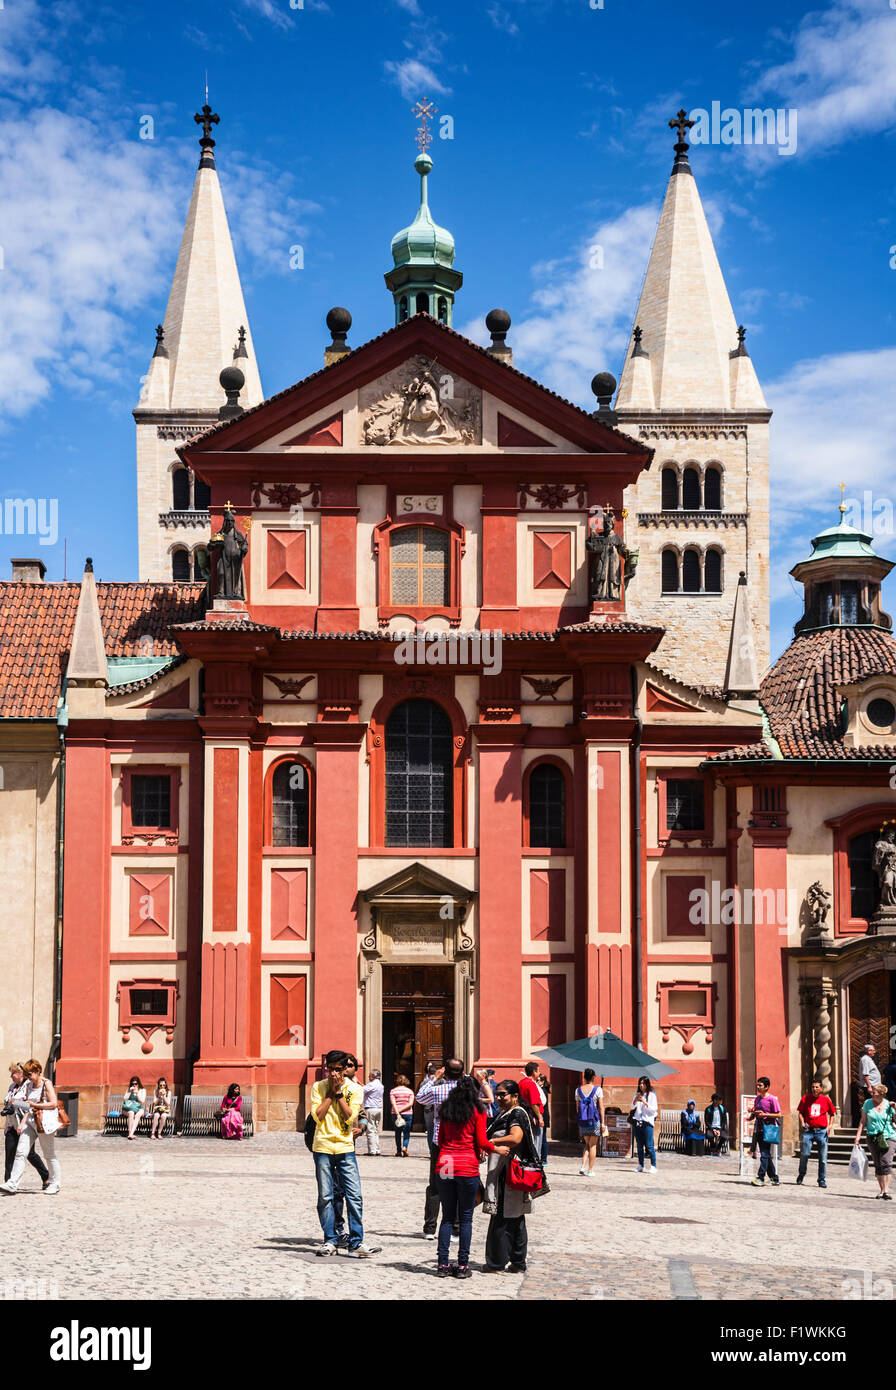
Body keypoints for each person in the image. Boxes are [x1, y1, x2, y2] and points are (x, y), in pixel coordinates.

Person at [308, 1050, 378, 1257]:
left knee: (354, 1195)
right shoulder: (318, 1087)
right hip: (322, 1147)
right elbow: (318, 1116)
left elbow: (350, 1117)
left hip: (346, 1148)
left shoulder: (355, 1089)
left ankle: (356, 1241)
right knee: (326, 1196)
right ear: (326, 1068)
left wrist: (339, 1094)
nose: (334, 1074)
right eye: (331, 1069)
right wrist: (330, 1093)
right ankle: (330, 1239)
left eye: (338, 1070)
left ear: (345, 1068)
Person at [434, 1074, 496, 1278]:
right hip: (466, 1164)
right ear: (476, 1091)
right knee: (466, 1218)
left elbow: (441, 1139)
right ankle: (462, 1266)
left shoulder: (446, 1110)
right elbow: (482, 1141)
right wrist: (497, 1149)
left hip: (445, 1163)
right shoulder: (478, 1110)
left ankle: (442, 1265)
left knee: (447, 1217)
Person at [484, 1079, 541, 1273]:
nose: (499, 1098)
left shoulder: (516, 1113)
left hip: (509, 1173)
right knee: (516, 1217)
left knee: (503, 1217)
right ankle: (518, 1261)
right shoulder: (508, 1112)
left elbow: (516, 1137)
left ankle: (497, 1261)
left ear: (515, 1096)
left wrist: (490, 1141)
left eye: (503, 1094)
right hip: (509, 1172)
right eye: (497, 1094)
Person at [0, 1058, 62, 1195]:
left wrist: (36, 1105)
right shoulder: (29, 1085)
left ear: (38, 1071)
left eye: (30, 1074)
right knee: (21, 1152)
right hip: (30, 1122)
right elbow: (28, 1106)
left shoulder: (46, 1084)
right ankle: (12, 1183)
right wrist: (18, 1108)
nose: (28, 1077)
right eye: (27, 1074)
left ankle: (55, 1183)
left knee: (49, 1155)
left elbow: (53, 1103)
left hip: (44, 1123)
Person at [417, 1059, 462, 1239]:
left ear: (446, 1073)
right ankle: (455, 1228)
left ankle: (430, 1228)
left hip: (440, 1142)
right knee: (456, 1185)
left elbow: (420, 1097)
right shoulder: (467, 1091)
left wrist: (434, 1078)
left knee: (436, 1185)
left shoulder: (438, 1090)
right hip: (460, 1144)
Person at [4, 1063, 49, 1188]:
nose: (11, 1076)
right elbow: (8, 1105)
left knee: (30, 1154)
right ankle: (9, 1182)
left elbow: (29, 1106)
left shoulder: (27, 1086)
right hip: (11, 1125)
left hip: (25, 1125)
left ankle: (46, 1176)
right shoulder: (12, 1087)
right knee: (9, 1155)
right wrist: (6, 1124)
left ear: (20, 1074)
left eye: (13, 1073)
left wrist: (16, 1105)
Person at [855, 1082, 896, 1200]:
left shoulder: (889, 1105)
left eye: (875, 1092)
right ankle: (882, 1190)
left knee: (885, 1162)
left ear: (882, 1094)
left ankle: (887, 1190)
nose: (872, 1093)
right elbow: (863, 1121)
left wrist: (895, 1109)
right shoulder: (867, 1104)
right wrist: (858, 1136)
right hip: (872, 1137)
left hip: (889, 1136)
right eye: (872, 1092)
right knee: (878, 1163)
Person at [796, 1080, 836, 1188]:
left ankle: (821, 1179)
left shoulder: (825, 1100)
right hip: (808, 1131)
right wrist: (802, 1122)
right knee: (805, 1154)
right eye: (813, 1087)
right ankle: (801, 1174)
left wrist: (830, 1125)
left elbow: (832, 1114)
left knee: (823, 1157)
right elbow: (800, 1112)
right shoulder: (805, 1098)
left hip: (821, 1131)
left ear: (821, 1089)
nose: (814, 1089)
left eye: (817, 1087)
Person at [748, 1077, 782, 1187]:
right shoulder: (757, 1098)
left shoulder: (772, 1099)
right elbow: (758, 1111)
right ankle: (774, 1178)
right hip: (759, 1129)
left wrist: (765, 1115)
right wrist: (752, 1114)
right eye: (757, 1085)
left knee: (764, 1154)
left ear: (766, 1087)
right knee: (766, 1154)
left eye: (760, 1085)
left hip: (768, 1130)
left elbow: (778, 1114)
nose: (758, 1087)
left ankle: (761, 1177)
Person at [575, 1069, 604, 1176]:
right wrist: (603, 1122)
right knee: (593, 1145)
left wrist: (579, 1122)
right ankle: (590, 1170)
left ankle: (583, 1166)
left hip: (583, 1121)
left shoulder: (578, 1090)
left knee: (587, 1144)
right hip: (594, 1121)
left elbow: (577, 1108)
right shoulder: (598, 1090)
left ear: (584, 1077)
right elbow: (601, 1107)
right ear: (593, 1077)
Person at [630, 1075, 658, 1174]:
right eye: (640, 1083)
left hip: (647, 1121)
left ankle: (653, 1165)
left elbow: (654, 1109)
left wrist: (644, 1102)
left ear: (647, 1084)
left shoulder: (652, 1095)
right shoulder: (637, 1094)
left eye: (643, 1083)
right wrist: (635, 1101)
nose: (641, 1085)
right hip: (637, 1120)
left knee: (649, 1145)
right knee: (639, 1145)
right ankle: (640, 1165)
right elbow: (632, 1107)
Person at [518, 1063, 545, 1145]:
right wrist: (540, 1118)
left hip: (525, 1114)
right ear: (534, 1072)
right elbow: (534, 1103)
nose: (539, 1073)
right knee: (536, 1143)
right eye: (538, 1071)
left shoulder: (521, 1082)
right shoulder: (531, 1084)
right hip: (533, 1116)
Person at [390, 1074, 415, 1157]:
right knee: (406, 1132)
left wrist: (397, 1112)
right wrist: (402, 1110)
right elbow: (410, 1104)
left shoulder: (393, 1091)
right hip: (408, 1113)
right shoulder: (410, 1091)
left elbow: (393, 1103)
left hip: (396, 1114)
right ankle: (405, 1147)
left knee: (397, 1132)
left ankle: (398, 1151)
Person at [362, 1069, 384, 1156]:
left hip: (371, 1108)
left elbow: (362, 1090)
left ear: (373, 1076)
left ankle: (372, 1150)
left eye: (370, 1075)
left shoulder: (371, 1084)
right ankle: (377, 1149)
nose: (368, 1076)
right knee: (375, 1130)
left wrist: (355, 1083)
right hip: (379, 1109)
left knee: (370, 1130)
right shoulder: (380, 1085)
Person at [122, 1075, 146, 1140]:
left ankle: (131, 1134)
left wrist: (137, 1093)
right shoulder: (128, 1089)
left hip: (139, 1108)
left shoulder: (142, 1090)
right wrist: (130, 1092)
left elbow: (142, 1101)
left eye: (136, 1084)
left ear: (138, 1083)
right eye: (132, 1084)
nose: (134, 1085)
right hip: (128, 1108)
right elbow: (124, 1099)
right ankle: (130, 1133)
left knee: (138, 1115)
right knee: (131, 1113)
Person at [538, 1073, 551, 1165]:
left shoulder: (542, 1091)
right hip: (544, 1115)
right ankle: (543, 1158)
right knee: (542, 1138)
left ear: (542, 1082)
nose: (536, 1081)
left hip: (543, 1116)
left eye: (538, 1080)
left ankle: (544, 1158)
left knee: (543, 1139)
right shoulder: (543, 1090)